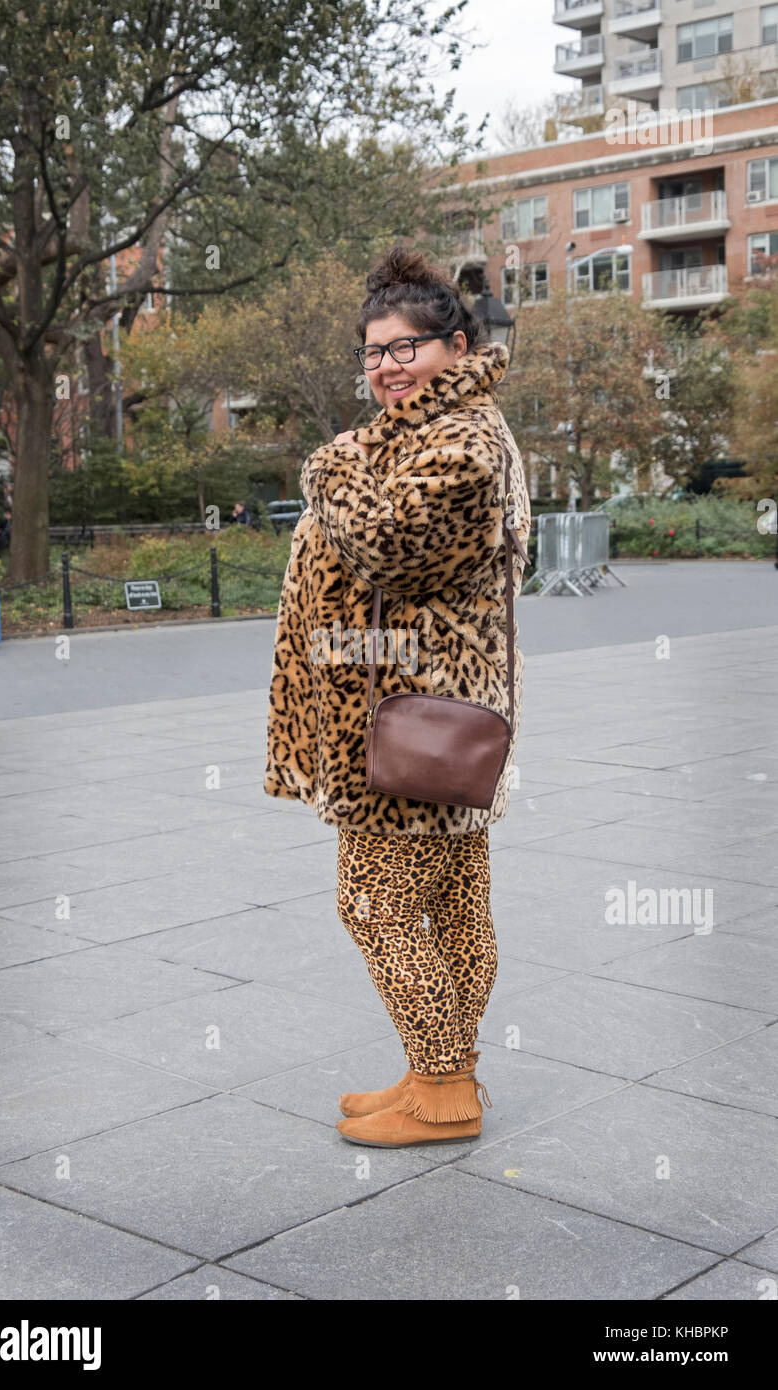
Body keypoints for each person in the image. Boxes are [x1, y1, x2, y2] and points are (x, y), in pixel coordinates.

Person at [263, 244, 531, 1148]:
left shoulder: (463, 440)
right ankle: (437, 1071)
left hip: (412, 717)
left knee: (373, 903)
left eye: (405, 347)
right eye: (374, 352)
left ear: (457, 346)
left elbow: (391, 546)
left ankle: (445, 1089)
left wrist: (330, 467)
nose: (387, 366)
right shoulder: (427, 430)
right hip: (424, 709)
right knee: (452, 904)